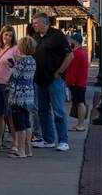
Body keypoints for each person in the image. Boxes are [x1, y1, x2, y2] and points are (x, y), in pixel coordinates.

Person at [31, 13, 72, 151]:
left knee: (58, 111)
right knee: (42, 111)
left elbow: (69, 55)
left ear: (45, 23)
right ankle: (48, 139)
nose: (34, 25)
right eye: (33, 23)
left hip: (54, 80)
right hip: (39, 80)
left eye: (36, 23)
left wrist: (59, 72)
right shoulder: (35, 37)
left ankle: (63, 141)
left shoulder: (57, 35)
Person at [5, 35, 39, 158]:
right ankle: (28, 149)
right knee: (27, 123)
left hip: (18, 96)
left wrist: (12, 68)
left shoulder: (21, 61)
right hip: (29, 95)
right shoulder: (32, 60)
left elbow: (13, 78)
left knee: (19, 125)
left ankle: (21, 150)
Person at [65, 34, 90, 132]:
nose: (70, 41)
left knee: (80, 103)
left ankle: (81, 125)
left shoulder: (76, 53)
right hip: (81, 82)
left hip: (77, 83)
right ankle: (80, 124)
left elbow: (73, 70)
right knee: (80, 103)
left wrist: (69, 82)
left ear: (75, 41)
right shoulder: (83, 52)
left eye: (71, 39)